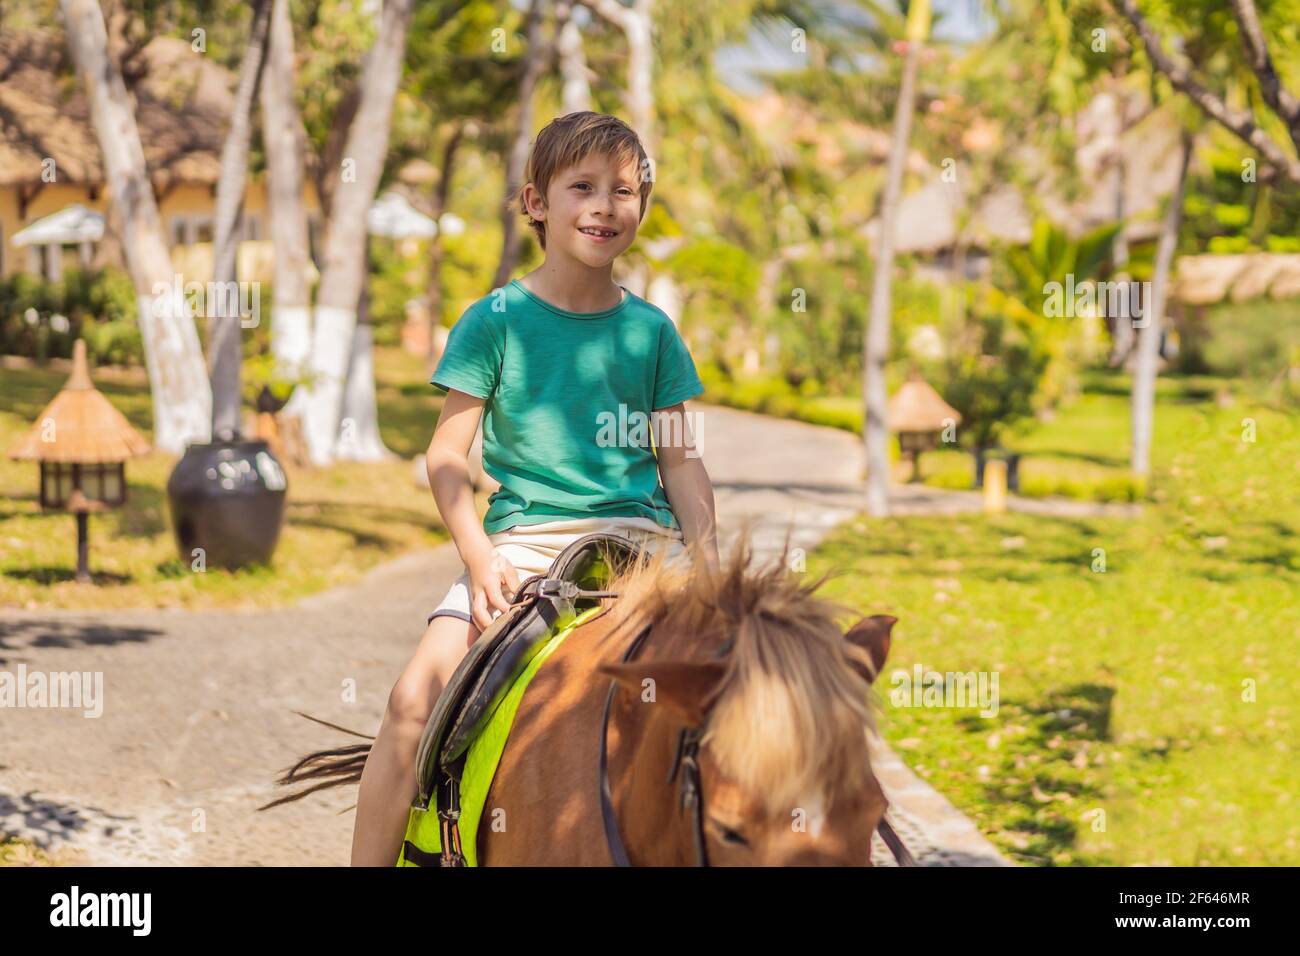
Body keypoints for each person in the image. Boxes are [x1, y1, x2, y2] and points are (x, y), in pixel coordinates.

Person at [349, 111, 721, 866]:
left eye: (624, 191)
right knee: (409, 706)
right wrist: (479, 557)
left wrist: (709, 567)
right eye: (581, 186)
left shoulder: (654, 332)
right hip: (525, 546)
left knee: (759, 692)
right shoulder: (494, 323)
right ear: (536, 203)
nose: (604, 206)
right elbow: (446, 455)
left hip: (648, 549)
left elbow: (682, 462)